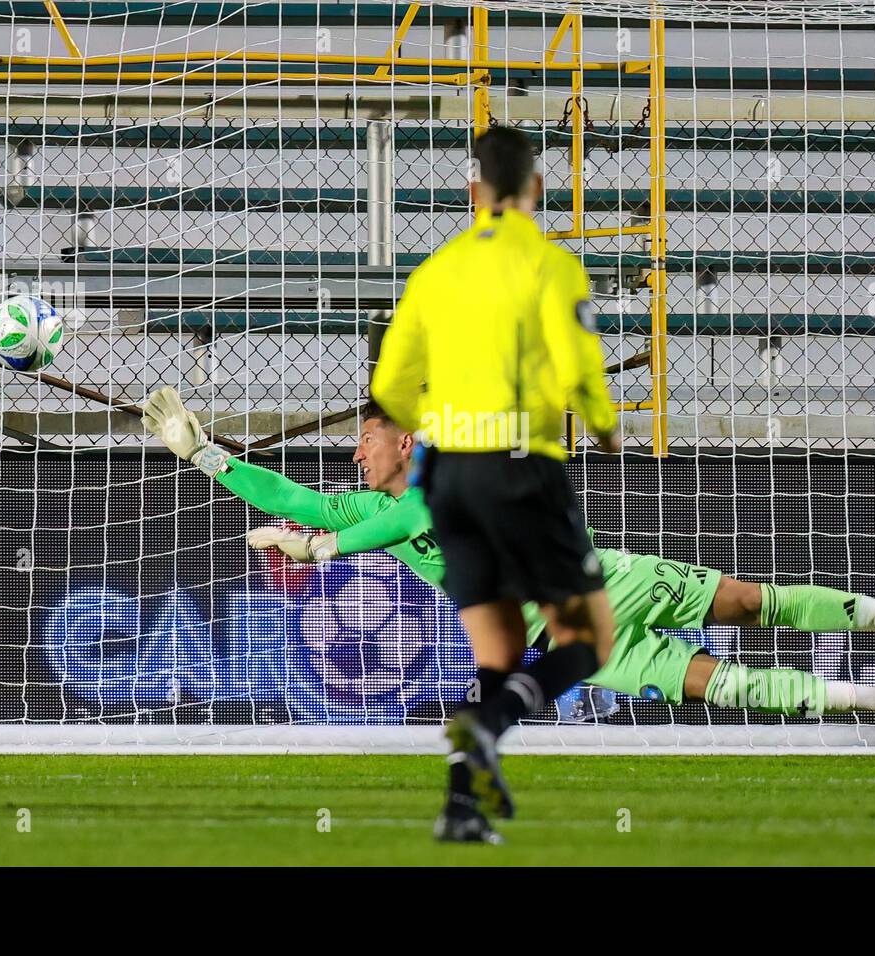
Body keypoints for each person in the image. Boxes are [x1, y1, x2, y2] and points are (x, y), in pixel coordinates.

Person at [143, 389, 875, 844]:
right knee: (720, 686)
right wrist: (204, 452)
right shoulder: (372, 504)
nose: (355, 451)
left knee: (746, 603)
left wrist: (321, 552)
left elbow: (397, 526)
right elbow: (292, 495)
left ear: (406, 441)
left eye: (367, 438)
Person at [368, 126, 624, 841]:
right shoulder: (550, 264)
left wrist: (443, 420)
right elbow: (577, 367)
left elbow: (388, 383)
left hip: (448, 475)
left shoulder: (434, 271)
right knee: (591, 636)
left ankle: (460, 807)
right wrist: (605, 427)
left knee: (496, 651)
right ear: (535, 189)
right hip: (519, 466)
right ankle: (489, 726)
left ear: (472, 193)